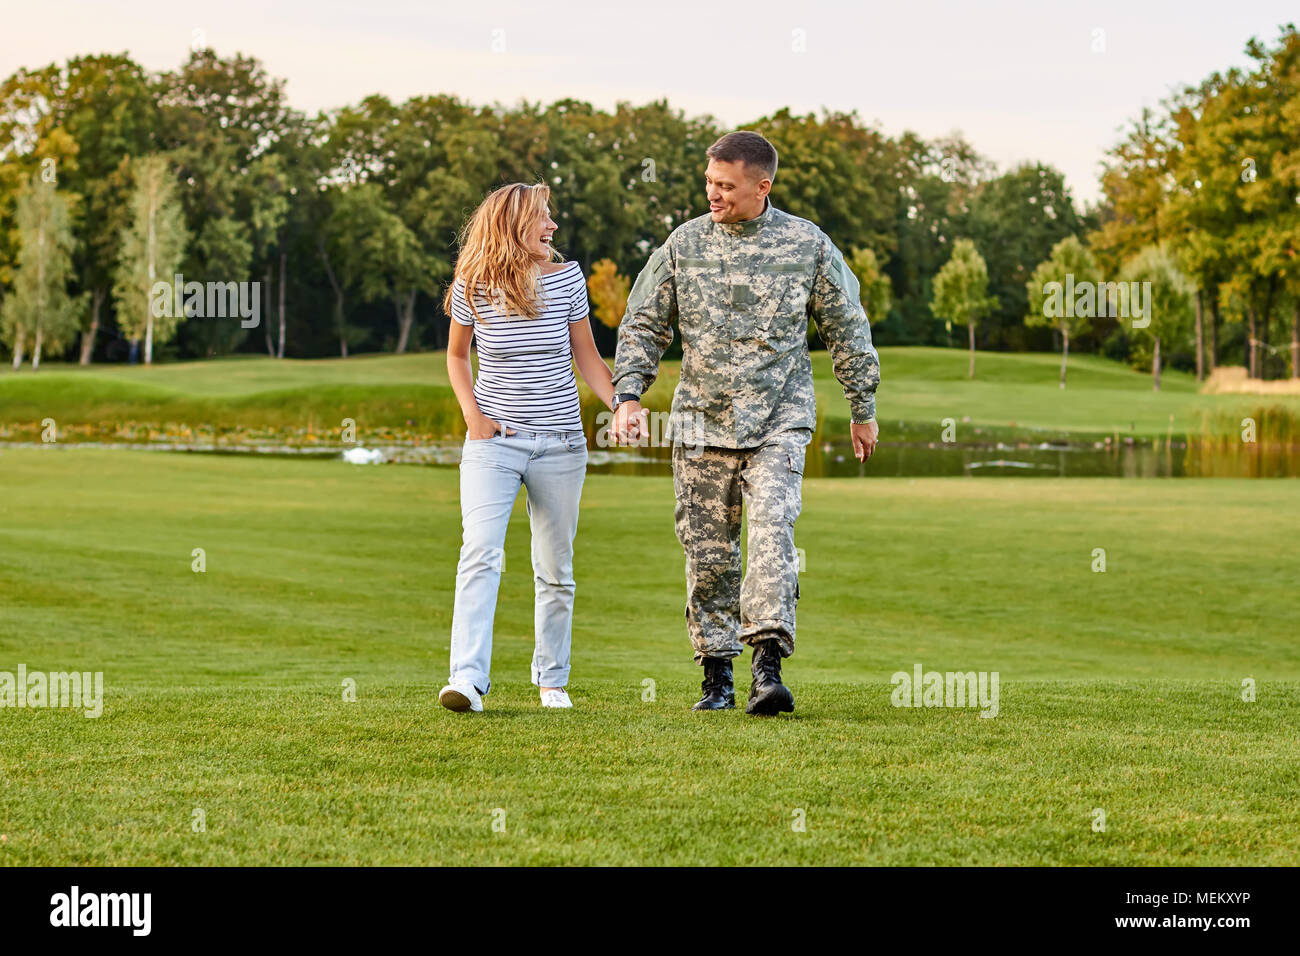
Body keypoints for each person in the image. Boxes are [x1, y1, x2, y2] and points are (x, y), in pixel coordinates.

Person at [610, 130, 881, 715]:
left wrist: (863, 408)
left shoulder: (806, 244)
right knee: (709, 553)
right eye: (709, 182)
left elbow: (847, 326)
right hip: (701, 425)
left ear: (763, 186)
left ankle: (767, 670)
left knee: (772, 533)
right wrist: (628, 396)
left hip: (779, 419)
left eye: (725, 185)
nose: (713, 193)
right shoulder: (684, 245)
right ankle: (716, 678)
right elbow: (643, 323)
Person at [439, 183, 617, 713]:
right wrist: (474, 417)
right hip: (494, 446)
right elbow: (455, 356)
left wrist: (621, 403)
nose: (553, 227)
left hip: (562, 444)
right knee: (479, 554)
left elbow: (586, 357)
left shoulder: (567, 279)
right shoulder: (474, 283)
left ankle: (552, 681)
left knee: (555, 569)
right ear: (515, 224)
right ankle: (467, 681)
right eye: (543, 217)